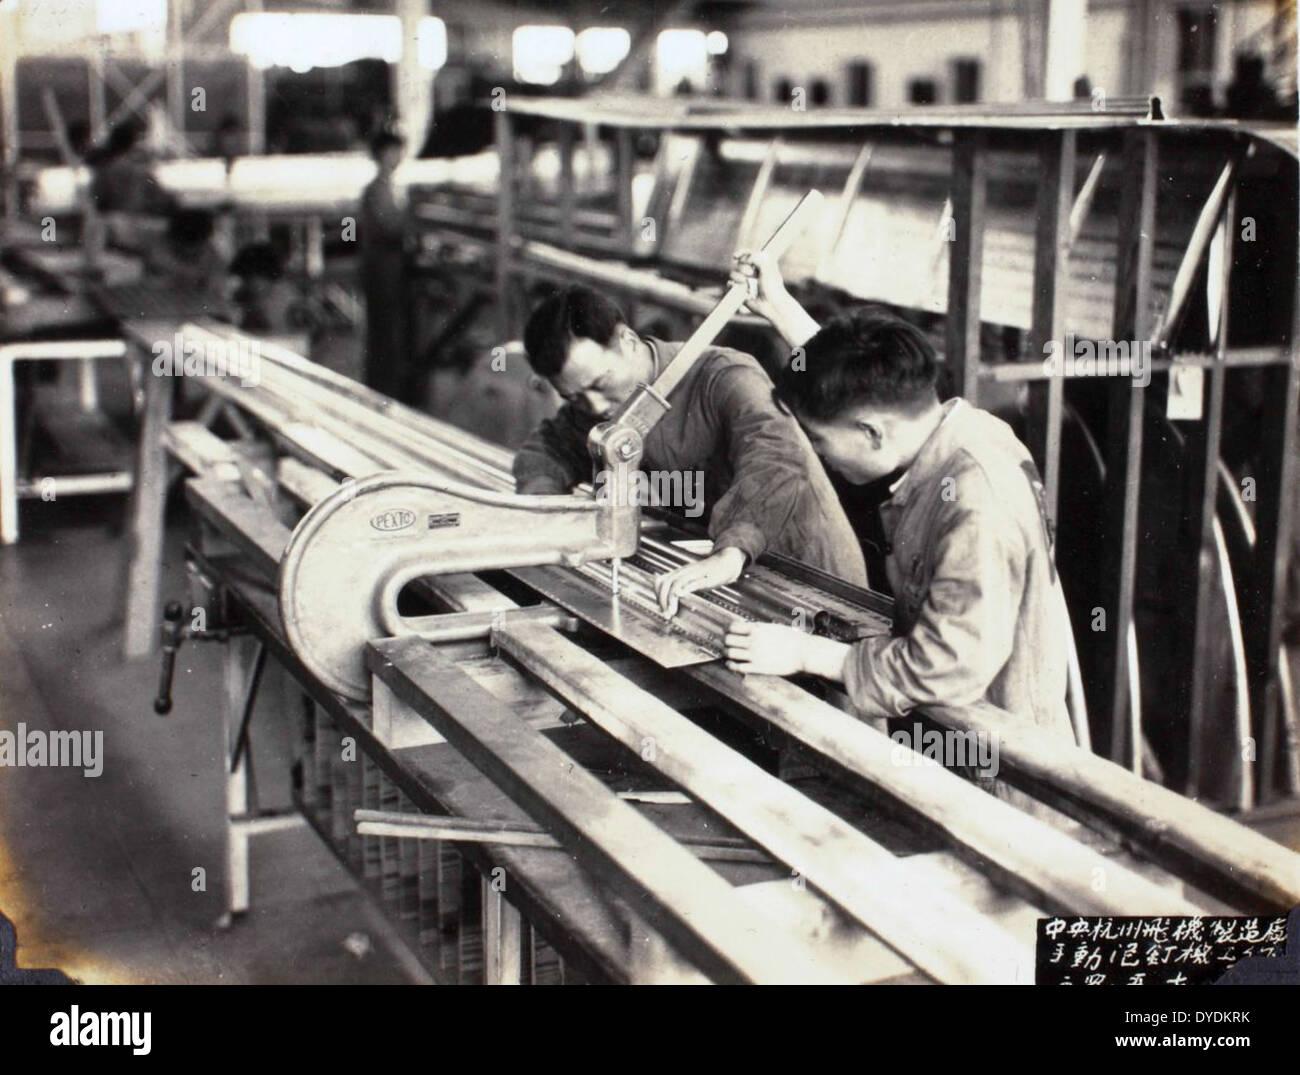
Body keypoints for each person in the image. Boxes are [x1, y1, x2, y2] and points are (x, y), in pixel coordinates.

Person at [722, 249, 1072, 741]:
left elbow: (946, 666)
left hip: (997, 761)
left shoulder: (976, 501)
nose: (820, 456)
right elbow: (855, 388)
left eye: (819, 440)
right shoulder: (961, 431)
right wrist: (778, 306)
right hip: (952, 735)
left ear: (871, 433)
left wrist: (807, 654)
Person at [513, 284, 868, 614]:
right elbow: (547, 450)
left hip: (811, 577)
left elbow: (775, 459)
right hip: (725, 576)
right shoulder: (597, 406)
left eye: (599, 383)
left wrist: (733, 550)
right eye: (574, 396)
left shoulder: (724, 375)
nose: (595, 406)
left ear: (628, 340)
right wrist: (549, 514)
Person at [359, 128, 413, 402]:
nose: (398, 156)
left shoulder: (391, 187)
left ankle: (389, 387)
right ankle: (383, 390)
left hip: (390, 266)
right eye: (393, 150)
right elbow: (389, 227)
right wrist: (412, 221)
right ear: (381, 154)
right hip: (382, 268)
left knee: (392, 331)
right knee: (385, 331)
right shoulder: (377, 189)